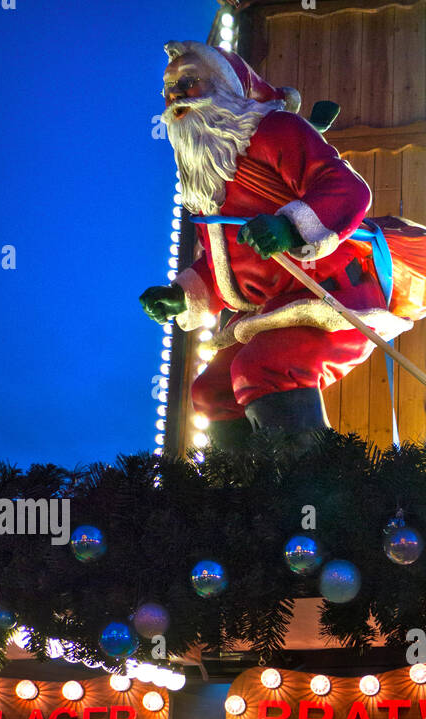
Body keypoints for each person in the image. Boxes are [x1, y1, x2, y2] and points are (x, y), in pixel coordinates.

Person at [141, 41, 401, 451]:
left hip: (330, 296)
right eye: (168, 90)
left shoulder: (277, 130)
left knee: (264, 366)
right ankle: (246, 503)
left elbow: (346, 190)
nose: (173, 98)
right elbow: (222, 265)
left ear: (224, 87)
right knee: (212, 392)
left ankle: (313, 487)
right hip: (273, 311)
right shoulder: (208, 179)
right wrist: (180, 296)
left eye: (187, 83)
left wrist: (290, 228)